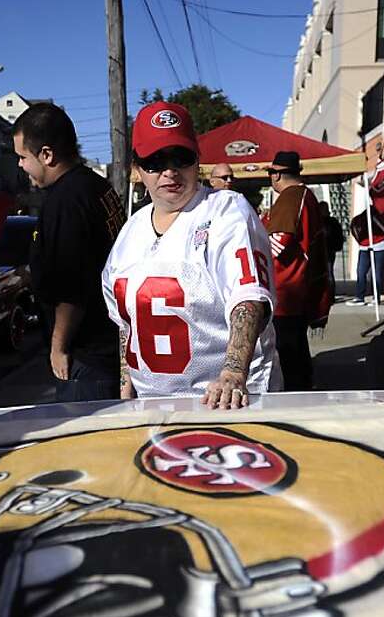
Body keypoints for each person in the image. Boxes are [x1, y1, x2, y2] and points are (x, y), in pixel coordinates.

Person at [102, 101, 279, 408]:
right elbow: (126, 323)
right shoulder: (131, 232)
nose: (169, 172)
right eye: (154, 161)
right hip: (152, 406)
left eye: (180, 157)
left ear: (197, 161)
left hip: (225, 403)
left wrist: (233, 374)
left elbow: (248, 298)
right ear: (137, 169)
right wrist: (125, 379)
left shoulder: (225, 210)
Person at [12, 103, 125, 401]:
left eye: (23, 157)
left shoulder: (65, 201)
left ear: (47, 154)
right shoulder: (97, 186)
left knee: (86, 443)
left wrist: (58, 346)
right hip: (109, 348)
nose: (21, 166)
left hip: (87, 356)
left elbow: (72, 286)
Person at [263, 151, 331, 390]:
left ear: (278, 174)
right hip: (297, 289)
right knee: (297, 355)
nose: (270, 177)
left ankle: (295, 401)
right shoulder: (305, 195)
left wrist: (256, 248)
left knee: (288, 358)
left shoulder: (291, 196)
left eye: (271, 172)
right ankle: (303, 392)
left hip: (286, 291)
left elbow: (278, 243)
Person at [346, 209, 384, 306]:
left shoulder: (382, 216)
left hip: (381, 245)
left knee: (377, 272)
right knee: (360, 271)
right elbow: (354, 228)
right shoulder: (360, 218)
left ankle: (376, 297)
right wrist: (360, 241)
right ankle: (359, 296)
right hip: (365, 246)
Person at [320, 201, 344, 302]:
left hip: (328, 250)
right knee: (326, 274)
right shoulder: (317, 221)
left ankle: (330, 296)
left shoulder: (331, 222)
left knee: (329, 273)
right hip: (322, 250)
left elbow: (337, 236)